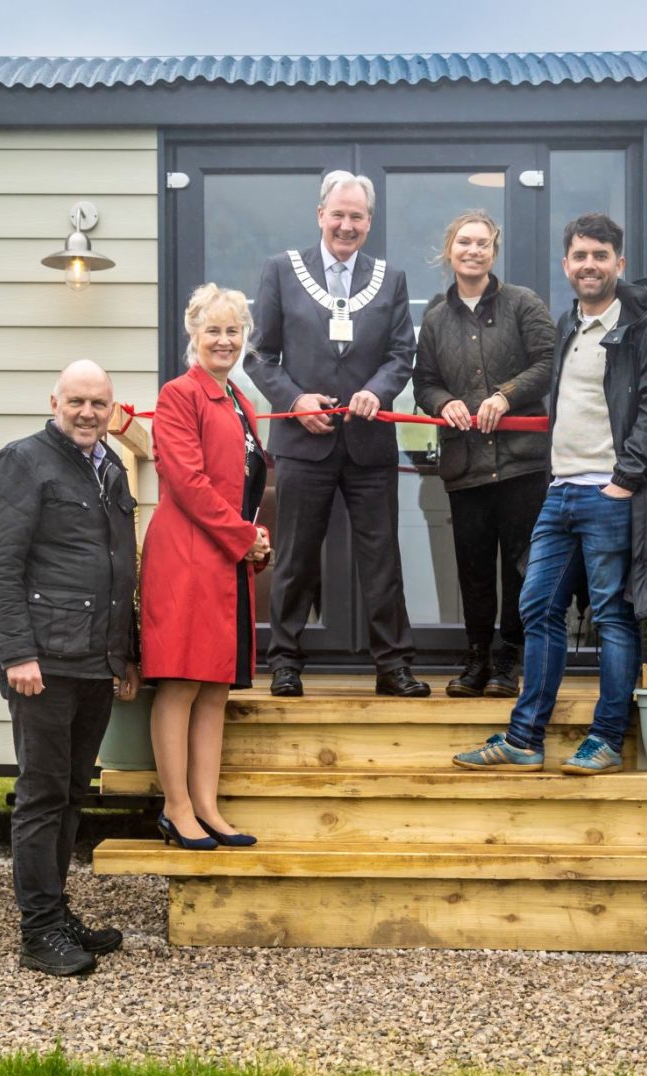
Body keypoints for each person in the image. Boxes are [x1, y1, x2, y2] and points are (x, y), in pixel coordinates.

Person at [454, 212, 647, 775]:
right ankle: (525, 738)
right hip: (559, 492)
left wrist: (622, 480)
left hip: (611, 493)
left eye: (600, 255)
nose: (589, 265)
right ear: (566, 265)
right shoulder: (566, 325)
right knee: (538, 606)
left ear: (619, 263)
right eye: (580, 256)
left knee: (612, 615)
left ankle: (605, 739)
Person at [0, 359, 140, 977]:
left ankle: (57, 910)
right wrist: (18, 651)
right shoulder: (22, 461)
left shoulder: (111, 466)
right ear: (55, 401)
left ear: (111, 406)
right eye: (77, 401)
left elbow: (121, 566)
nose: (88, 413)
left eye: (99, 403)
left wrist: (124, 654)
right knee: (42, 796)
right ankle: (38, 932)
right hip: (41, 662)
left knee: (73, 792)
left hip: (95, 661)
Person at [243, 170, 428, 699]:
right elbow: (259, 355)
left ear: (370, 222)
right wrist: (293, 400)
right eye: (339, 214)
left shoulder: (389, 278)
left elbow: (401, 354)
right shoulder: (282, 270)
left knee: (382, 557)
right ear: (320, 214)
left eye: (358, 216)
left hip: (368, 442)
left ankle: (393, 666)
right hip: (303, 442)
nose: (347, 225)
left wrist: (377, 390)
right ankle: (284, 662)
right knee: (296, 556)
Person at [141, 284, 272, 851]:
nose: (224, 340)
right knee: (181, 683)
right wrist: (244, 536)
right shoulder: (179, 394)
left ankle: (208, 806)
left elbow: (240, 483)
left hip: (223, 557)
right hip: (188, 556)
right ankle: (176, 808)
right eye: (213, 330)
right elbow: (188, 482)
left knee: (215, 688)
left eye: (233, 330)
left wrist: (252, 535)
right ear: (193, 335)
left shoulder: (240, 400)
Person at [413, 210, 555, 697]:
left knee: (520, 567)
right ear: (449, 250)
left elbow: (548, 362)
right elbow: (424, 381)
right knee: (472, 569)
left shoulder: (523, 304)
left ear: (494, 252)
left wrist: (506, 395)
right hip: (466, 467)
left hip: (522, 465)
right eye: (464, 243)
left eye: (482, 244)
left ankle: (508, 662)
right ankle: (475, 660)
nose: (473, 251)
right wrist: (442, 402)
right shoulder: (434, 319)